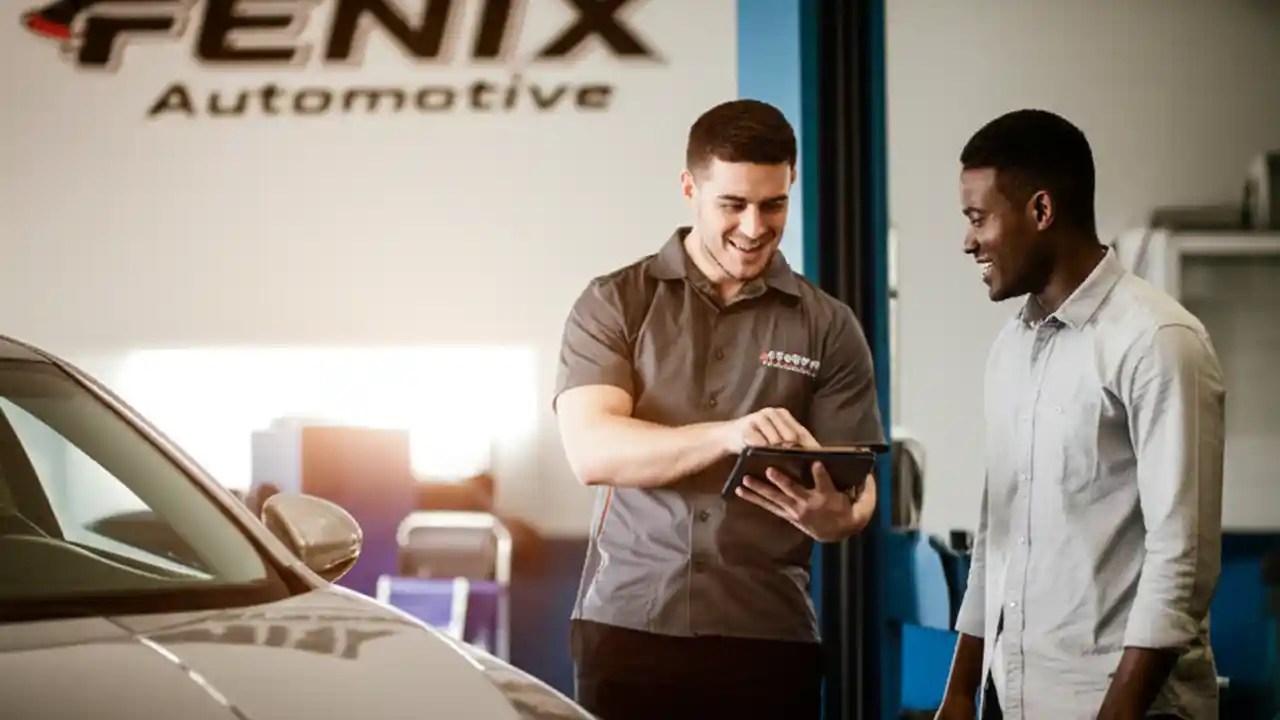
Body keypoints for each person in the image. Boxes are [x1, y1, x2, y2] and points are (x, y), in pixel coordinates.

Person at [552, 98, 885, 720]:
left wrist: (838, 515)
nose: (755, 227)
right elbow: (592, 450)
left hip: (769, 637)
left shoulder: (828, 326)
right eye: (732, 205)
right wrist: (729, 435)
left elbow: (857, 483)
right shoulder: (616, 303)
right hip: (629, 629)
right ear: (689, 188)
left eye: (774, 204)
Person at [935, 109, 1226, 720]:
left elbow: (1182, 560)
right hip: (1019, 704)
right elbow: (997, 539)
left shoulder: (1158, 340)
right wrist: (960, 693)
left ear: (1041, 211)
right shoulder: (1010, 350)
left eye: (978, 217)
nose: (968, 240)